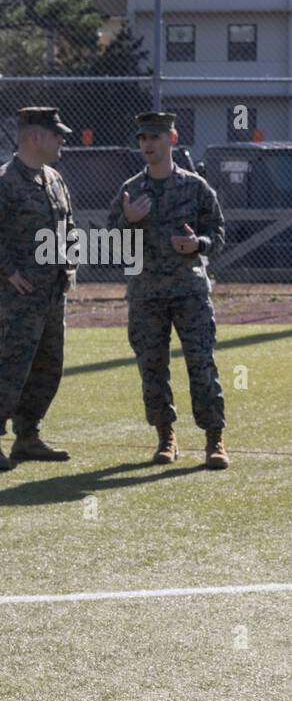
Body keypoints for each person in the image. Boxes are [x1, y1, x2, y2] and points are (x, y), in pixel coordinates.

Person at [108, 111, 228, 468]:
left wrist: (198, 244)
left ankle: (214, 439)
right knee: (152, 368)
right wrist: (128, 222)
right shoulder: (130, 190)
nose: (147, 144)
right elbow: (111, 240)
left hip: (189, 292)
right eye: (143, 138)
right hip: (146, 294)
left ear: (172, 140)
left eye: (155, 138)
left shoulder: (195, 187)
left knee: (202, 363)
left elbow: (218, 233)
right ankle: (166, 437)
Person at [0, 107, 77, 471]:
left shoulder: (54, 180)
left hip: (52, 293)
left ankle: (28, 435)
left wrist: (69, 263)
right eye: (56, 134)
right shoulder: (3, 183)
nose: (62, 140)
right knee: (14, 365)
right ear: (35, 137)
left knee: (49, 366)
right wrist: (7, 270)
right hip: (22, 295)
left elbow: (69, 226)